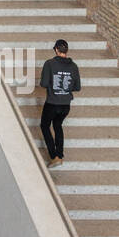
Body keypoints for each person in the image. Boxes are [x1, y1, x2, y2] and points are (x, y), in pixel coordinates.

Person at [39, 39, 81, 168]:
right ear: (66, 51)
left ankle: (54, 156)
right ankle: (60, 155)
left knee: (45, 126)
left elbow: (44, 84)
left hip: (52, 103)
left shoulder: (49, 64)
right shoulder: (74, 66)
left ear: (56, 50)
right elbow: (77, 87)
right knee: (57, 125)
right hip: (65, 105)